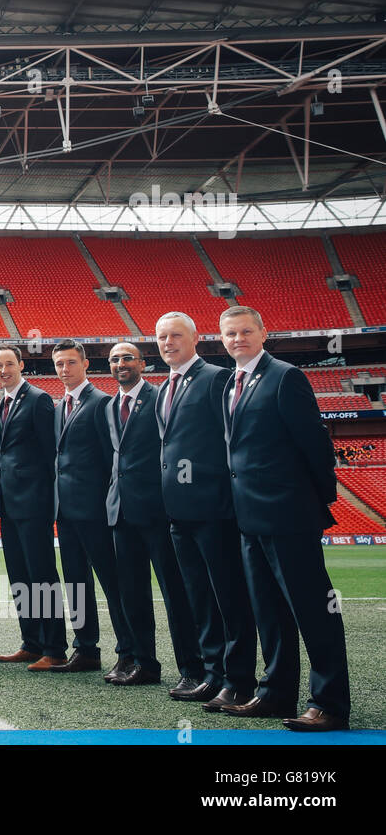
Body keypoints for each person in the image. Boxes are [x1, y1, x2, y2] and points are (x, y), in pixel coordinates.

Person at [218, 306, 350, 731]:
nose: (237, 338)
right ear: (221, 339)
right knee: (269, 612)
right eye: (230, 333)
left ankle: (329, 703)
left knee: (314, 610)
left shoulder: (285, 376)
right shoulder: (230, 384)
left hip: (289, 515)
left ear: (263, 333)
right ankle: (275, 694)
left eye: (245, 331)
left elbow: (315, 444)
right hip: (249, 517)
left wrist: (315, 505)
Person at [154, 312, 257, 711]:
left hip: (214, 510)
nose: (167, 343)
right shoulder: (165, 387)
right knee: (200, 599)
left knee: (228, 598)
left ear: (195, 338)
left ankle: (238, 680)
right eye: (162, 337)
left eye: (175, 336)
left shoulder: (216, 378)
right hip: (179, 513)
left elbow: (231, 441)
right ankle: (212, 675)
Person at [104, 342, 204, 691]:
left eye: (127, 357)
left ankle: (192, 668)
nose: (121, 364)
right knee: (132, 594)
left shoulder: (160, 398)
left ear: (143, 364)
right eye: (115, 359)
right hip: (122, 511)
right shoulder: (109, 405)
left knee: (176, 594)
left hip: (157, 511)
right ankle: (144, 664)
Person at [51, 340, 131, 675]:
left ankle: (128, 652)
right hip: (66, 513)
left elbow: (113, 457)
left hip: (96, 511)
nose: (64, 369)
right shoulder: (59, 407)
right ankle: (86, 649)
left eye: (70, 362)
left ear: (85, 364)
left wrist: (106, 503)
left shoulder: (101, 403)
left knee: (113, 584)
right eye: (58, 364)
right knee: (76, 585)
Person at [0, 343, 67, 669]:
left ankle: (54, 648)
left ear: (21, 365)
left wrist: (45, 500)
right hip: (8, 504)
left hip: (33, 503)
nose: (3, 370)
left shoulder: (37, 400)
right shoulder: (3, 402)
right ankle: (31, 641)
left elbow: (50, 453)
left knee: (42, 577)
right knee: (20, 577)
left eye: (9, 364)